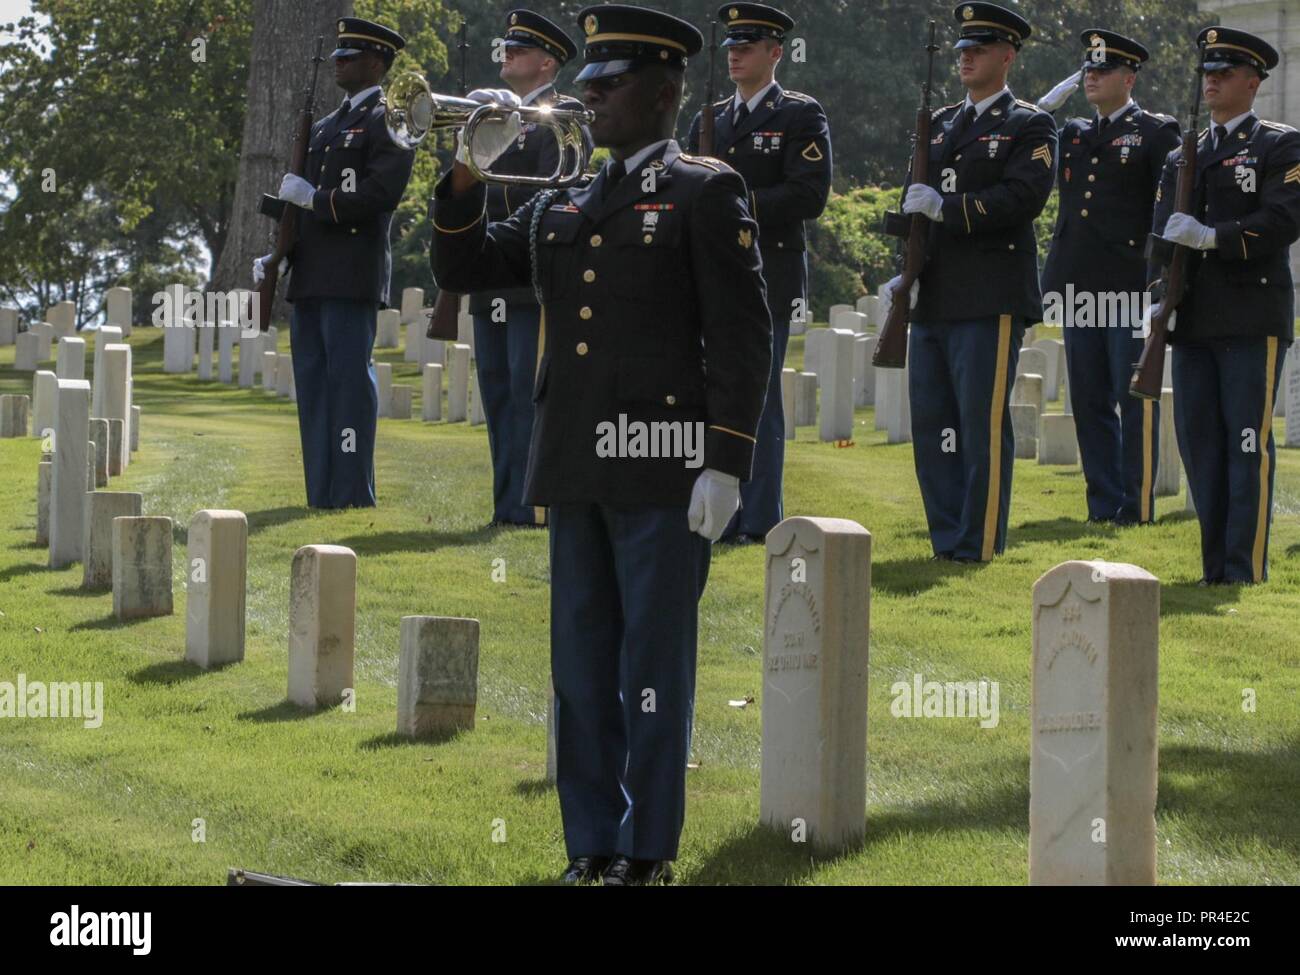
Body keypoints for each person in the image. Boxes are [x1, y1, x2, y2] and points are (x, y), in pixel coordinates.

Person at [429, 4, 771, 884]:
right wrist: (468, 170)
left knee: (651, 670)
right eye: (588, 86)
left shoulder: (705, 190)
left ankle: (647, 849)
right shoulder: (565, 199)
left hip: (661, 464)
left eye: (610, 87)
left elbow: (741, 336)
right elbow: (467, 268)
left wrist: (727, 459)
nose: (594, 101)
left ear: (661, 93)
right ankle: (590, 844)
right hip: (577, 463)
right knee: (580, 667)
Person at [886, 2, 1056, 562]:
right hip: (933, 294)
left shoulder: (1029, 124)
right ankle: (945, 536)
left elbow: (1022, 199)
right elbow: (914, 207)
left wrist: (947, 207)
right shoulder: (936, 127)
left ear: (1006, 57)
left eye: (977, 49)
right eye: (961, 49)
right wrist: (905, 266)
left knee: (978, 424)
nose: (965, 58)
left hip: (989, 296)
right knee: (934, 423)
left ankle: (978, 541)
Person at [1147, 26, 1300, 584]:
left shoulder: (1279, 145)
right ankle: (1215, 565)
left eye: (1225, 72)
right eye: (1207, 72)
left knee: (1244, 444)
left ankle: (1243, 567)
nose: (1211, 81)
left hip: (1248, 318)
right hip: (1191, 321)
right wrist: (1157, 297)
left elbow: (1284, 219)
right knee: (1202, 449)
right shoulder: (1183, 154)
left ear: (1253, 81)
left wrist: (1215, 236)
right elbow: (1160, 238)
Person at [685, 2, 831, 544]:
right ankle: (715, 512)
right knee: (710, 394)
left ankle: (760, 516)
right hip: (707, 277)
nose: (735, 55)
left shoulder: (799, 114)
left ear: (776, 52)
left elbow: (808, 194)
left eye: (747, 46)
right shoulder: (709, 119)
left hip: (768, 276)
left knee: (759, 400)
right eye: (731, 46)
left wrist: (730, 202)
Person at [254, 17, 414, 509]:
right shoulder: (324, 126)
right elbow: (296, 210)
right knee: (316, 388)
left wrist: (315, 198)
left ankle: (351, 491)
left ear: (377, 63)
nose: (338, 64)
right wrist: (281, 254)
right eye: (337, 56)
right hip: (311, 276)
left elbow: (379, 194)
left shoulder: (392, 121)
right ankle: (320, 491)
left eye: (349, 56)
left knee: (348, 384)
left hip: (350, 274)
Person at [1038, 30, 1180, 525]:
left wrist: (1160, 283)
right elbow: (1030, 144)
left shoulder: (1156, 133)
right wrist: (1044, 108)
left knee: (1132, 396)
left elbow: (1167, 211)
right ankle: (1103, 503)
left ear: (1129, 77)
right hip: (1080, 286)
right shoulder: (1074, 132)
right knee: (1090, 399)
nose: (1091, 78)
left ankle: (1136, 505)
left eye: (1102, 71)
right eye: (1087, 71)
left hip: (1129, 288)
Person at [468, 10, 590, 528]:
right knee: (496, 390)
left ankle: (533, 504)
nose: (507, 54)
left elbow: (552, 195)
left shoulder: (562, 118)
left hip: (530, 278)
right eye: (506, 47)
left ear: (547, 63)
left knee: (525, 389)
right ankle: (506, 505)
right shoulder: (494, 116)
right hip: (490, 278)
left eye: (519, 49)